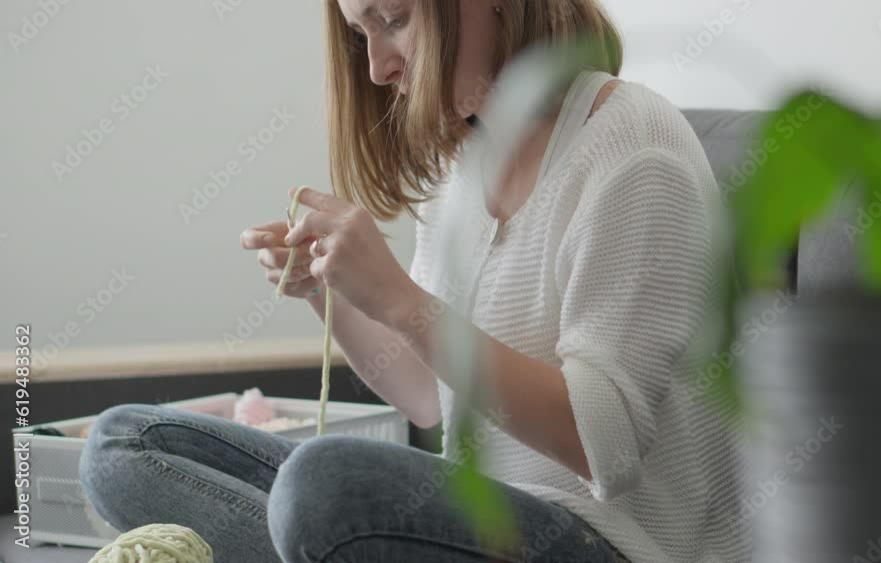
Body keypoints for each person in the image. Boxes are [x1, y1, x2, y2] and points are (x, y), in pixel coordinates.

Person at [79, 1, 750, 562]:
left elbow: (603, 444)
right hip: (469, 527)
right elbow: (433, 397)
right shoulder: (463, 162)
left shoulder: (632, 145)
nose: (377, 68)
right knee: (123, 445)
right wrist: (329, 289)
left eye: (394, 18)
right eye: (360, 34)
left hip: (616, 544)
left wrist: (403, 300)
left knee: (323, 484)